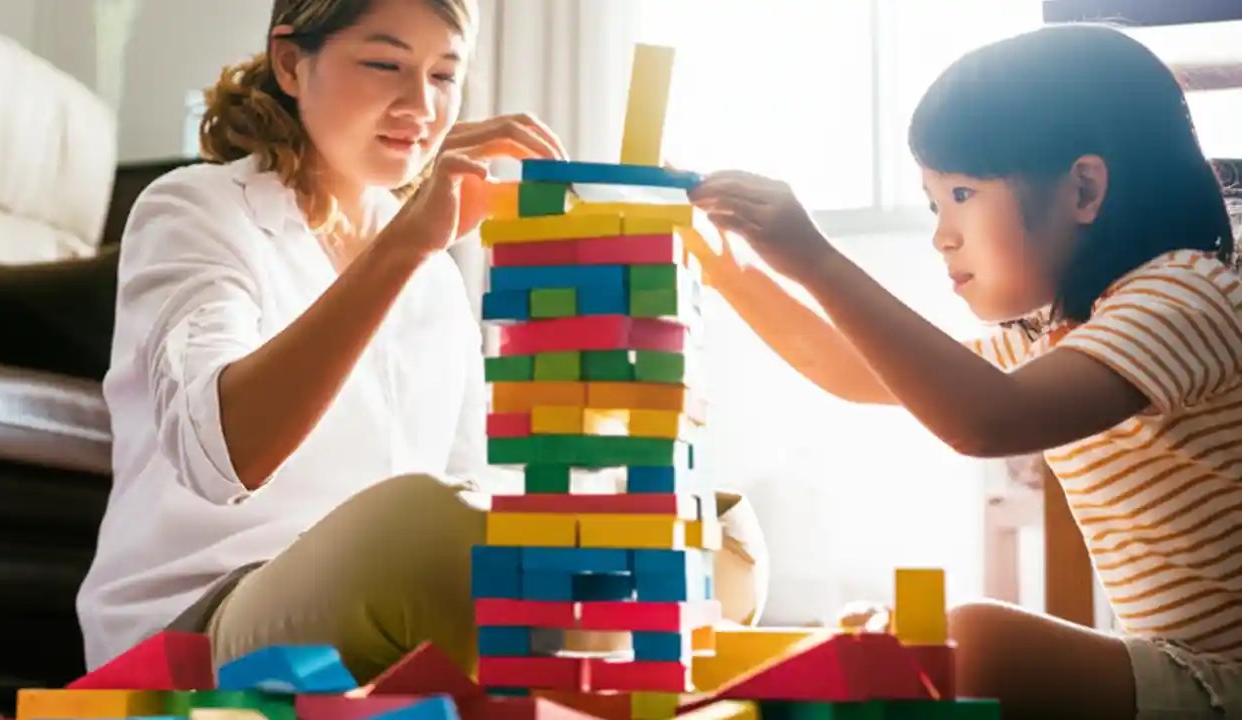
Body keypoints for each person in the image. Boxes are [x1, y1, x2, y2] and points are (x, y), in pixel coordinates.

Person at [76, 0, 768, 682]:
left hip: (391, 594)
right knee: (431, 534)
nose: (422, 104)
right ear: (290, 62)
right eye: (385, 64)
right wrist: (402, 247)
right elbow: (222, 455)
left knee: (723, 538)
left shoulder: (432, 270)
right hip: (203, 617)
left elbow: (478, 482)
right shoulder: (196, 208)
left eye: (444, 76)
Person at [684, 23, 1241, 720]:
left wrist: (817, 259)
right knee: (928, 643)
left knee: (971, 638)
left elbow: (988, 419)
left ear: (1084, 190)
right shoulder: (1053, 333)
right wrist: (726, 268)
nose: (941, 235)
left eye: (963, 196)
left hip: (1223, 680)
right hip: (1179, 666)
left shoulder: (1187, 291)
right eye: (932, 204)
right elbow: (848, 368)